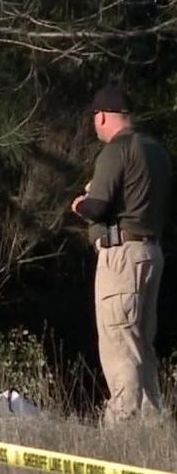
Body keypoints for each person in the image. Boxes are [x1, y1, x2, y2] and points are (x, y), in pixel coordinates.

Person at [70, 84, 172, 426]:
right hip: (151, 252)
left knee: (119, 341)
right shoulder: (155, 150)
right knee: (142, 342)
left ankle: (122, 424)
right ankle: (151, 423)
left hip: (121, 255)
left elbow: (98, 207)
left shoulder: (116, 150)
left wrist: (80, 204)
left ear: (101, 117)